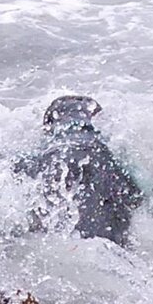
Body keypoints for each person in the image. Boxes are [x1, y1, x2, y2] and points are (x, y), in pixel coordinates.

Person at [15, 95, 144, 246]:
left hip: (58, 241)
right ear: (96, 121)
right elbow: (140, 197)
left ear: (47, 128)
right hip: (102, 234)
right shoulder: (112, 148)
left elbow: (11, 169)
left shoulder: (46, 149)